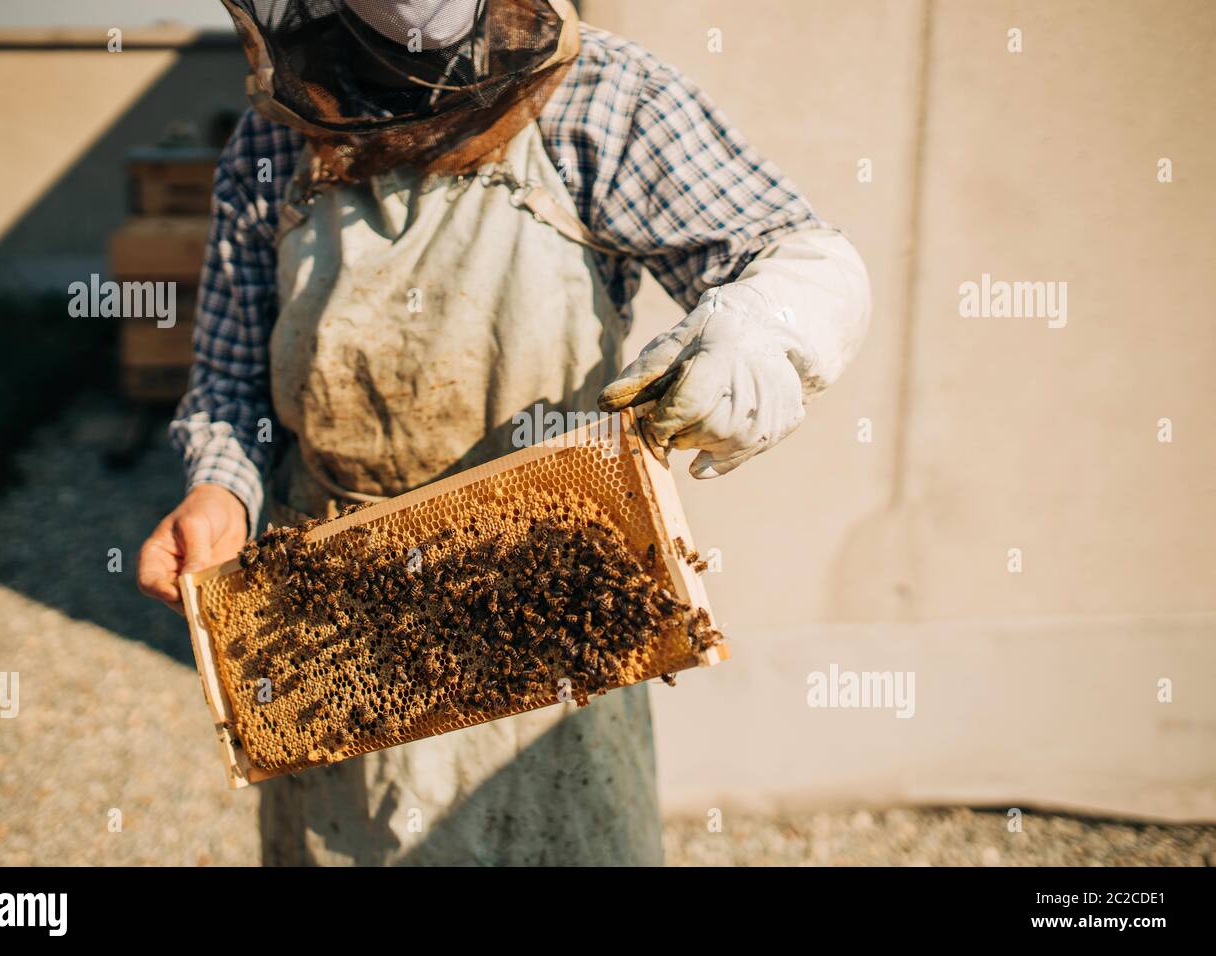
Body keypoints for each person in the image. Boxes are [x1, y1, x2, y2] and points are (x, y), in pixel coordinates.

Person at [137, 0, 871, 865]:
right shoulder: (271, 143)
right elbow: (231, 382)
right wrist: (221, 487)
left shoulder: (606, 96)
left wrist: (757, 331)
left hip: (552, 591)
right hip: (335, 616)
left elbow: (792, 252)